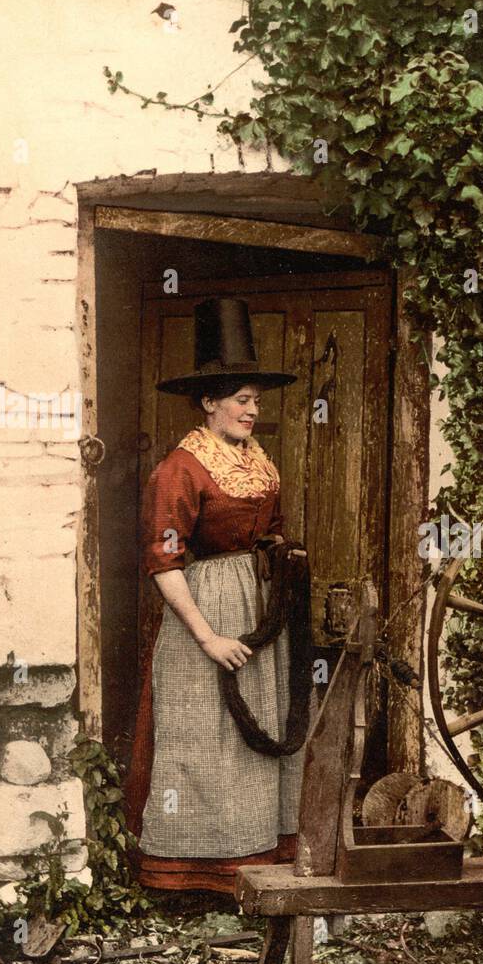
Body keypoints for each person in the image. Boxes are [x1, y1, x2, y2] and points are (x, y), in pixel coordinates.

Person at [123, 296, 312, 898]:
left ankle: (257, 857)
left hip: (257, 609)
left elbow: (272, 528)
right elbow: (162, 559)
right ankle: (194, 871)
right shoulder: (179, 469)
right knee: (202, 733)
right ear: (209, 403)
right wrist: (207, 634)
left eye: (256, 400)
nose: (253, 411)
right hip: (201, 609)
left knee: (255, 732)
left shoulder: (256, 462)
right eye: (242, 400)